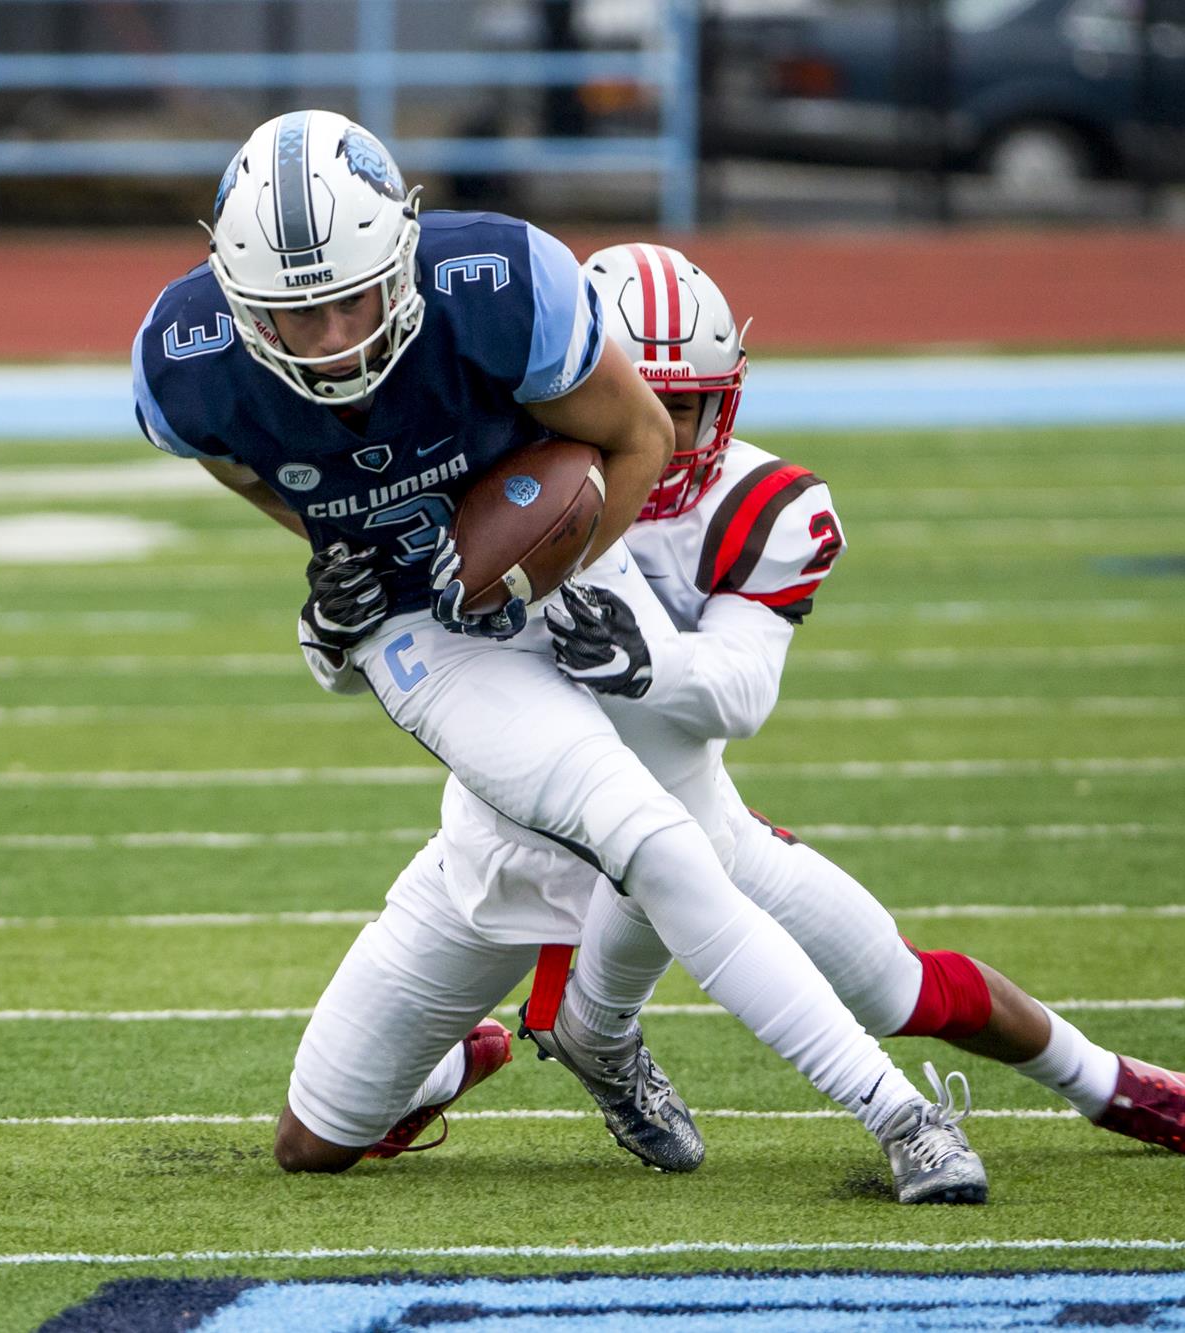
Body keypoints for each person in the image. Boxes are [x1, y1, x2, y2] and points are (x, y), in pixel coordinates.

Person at [131, 109, 987, 1203]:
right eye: (298, 313)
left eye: (354, 298)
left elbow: (642, 438)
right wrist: (340, 560)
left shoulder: (498, 282)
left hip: (564, 555)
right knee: (314, 1141)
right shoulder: (185, 365)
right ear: (240, 301)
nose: (334, 337)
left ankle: (899, 1116)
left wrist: (545, 574)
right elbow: (253, 473)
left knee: (663, 841)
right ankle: (499, 1047)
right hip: (429, 628)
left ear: (402, 254)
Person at [486, 241, 1185, 1164]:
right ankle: (458, 1062)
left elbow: (741, 691)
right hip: (512, 824)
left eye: (683, 408)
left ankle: (1112, 1085)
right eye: (636, 403)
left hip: (684, 806)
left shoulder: (758, 502)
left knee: (895, 984)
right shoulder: (506, 485)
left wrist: (649, 663)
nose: (656, 433)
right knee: (357, 1086)